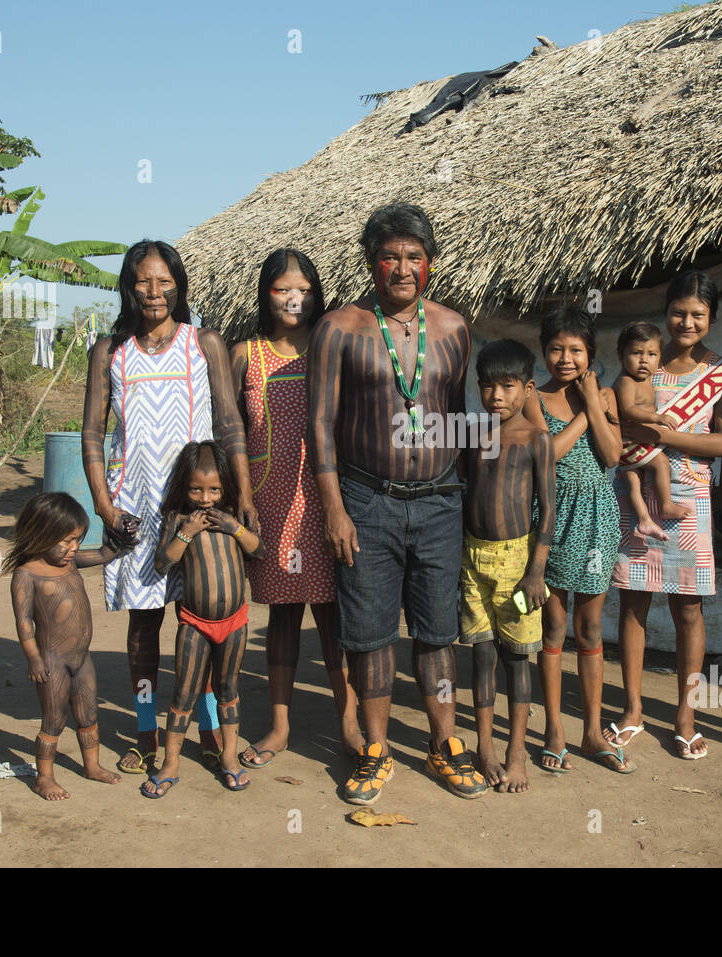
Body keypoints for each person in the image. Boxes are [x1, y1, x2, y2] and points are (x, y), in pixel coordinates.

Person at [308, 201, 486, 804]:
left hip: (439, 501)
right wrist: (334, 508)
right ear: (371, 261)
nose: (402, 267)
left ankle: (444, 743)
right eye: (391, 256)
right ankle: (377, 748)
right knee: (370, 633)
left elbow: (460, 418)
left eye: (414, 256)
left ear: (430, 264)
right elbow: (320, 424)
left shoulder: (455, 329)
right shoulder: (339, 328)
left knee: (438, 633)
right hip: (367, 501)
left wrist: (469, 495)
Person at [82, 240, 247, 776]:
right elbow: (91, 435)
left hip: (196, 507)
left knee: (200, 619)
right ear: (128, 287)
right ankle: (146, 728)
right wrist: (107, 510)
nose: (153, 293)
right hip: (136, 507)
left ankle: (204, 726)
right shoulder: (110, 352)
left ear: (179, 284)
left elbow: (228, 424)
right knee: (144, 626)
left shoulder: (205, 344)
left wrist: (240, 497)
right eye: (142, 282)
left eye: (163, 281)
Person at [228, 249, 362, 769]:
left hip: (327, 500)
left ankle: (348, 723)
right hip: (269, 498)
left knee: (333, 616)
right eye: (284, 288)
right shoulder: (246, 355)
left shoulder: (333, 348)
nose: (295, 299)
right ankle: (280, 726)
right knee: (282, 617)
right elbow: (232, 431)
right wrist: (241, 495)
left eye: (305, 289)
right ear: (266, 293)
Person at [606, 271, 722, 761]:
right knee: (634, 600)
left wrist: (667, 439)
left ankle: (686, 713)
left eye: (698, 315)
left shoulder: (720, 370)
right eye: (679, 312)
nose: (687, 321)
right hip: (638, 491)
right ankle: (634, 709)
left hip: (691, 495)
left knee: (688, 607)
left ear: (711, 319)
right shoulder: (645, 363)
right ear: (666, 315)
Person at [528, 306, 626, 774]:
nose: (565, 358)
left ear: (591, 353)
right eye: (556, 348)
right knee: (552, 629)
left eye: (576, 350)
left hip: (595, 519)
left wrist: (595, 404)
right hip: (549, 519)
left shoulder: (606, 393)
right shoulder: (534, 397)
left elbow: (612, 456)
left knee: (589, 630)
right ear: (543, 351)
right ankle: (553, 729)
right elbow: (547, 456)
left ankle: (590, 731)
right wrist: (590, 412)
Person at [457, 339, 555, 794]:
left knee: (517, 659)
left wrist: (536, 571)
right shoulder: (473, 436)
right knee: (480, 656)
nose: (496, 396)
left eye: (508, 386)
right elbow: (462, 493)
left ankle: (516, 753)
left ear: (528, 388)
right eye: (488, 386)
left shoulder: (537, 440)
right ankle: (485, 747)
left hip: (518, 563)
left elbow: (547, 510)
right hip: (473, 557)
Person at [142, 442, 265, 797]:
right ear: (184, 486)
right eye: (196, 489)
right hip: (194, 622)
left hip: (235, 622)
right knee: (183, 691)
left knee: (228, 688)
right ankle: (171, 763)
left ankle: (229, 757)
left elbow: (259, 551)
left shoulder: (231, 516)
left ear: (225, 486)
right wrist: (187, 533)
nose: (206, 498)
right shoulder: (179, 519)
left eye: (214, 490)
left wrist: (234, 527)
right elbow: (162, 563)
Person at [5, 492, 126, 800]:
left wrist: (123, 535)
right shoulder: (27, 574)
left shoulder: (70, 562)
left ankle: (92, 766)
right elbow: (23, 623)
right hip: (52, 660)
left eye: (77, 540)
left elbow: (104, 554)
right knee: (54, 720)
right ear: (39, 534)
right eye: (66, 541)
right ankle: (44, 778)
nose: (73, 548)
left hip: (82, 658)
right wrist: (33, 658)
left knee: (88, 714)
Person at [614, 322, 691, 541]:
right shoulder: (626, 381)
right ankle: (665, 505)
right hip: (630, 442)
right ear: (621, 355)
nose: (644, 360)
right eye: (636, 353)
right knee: (661, 463)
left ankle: (645, 520)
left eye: (651, 354)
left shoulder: (646, 379)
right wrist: (657, 418)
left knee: (634, 485)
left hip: (629, 446)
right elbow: (629, 409)